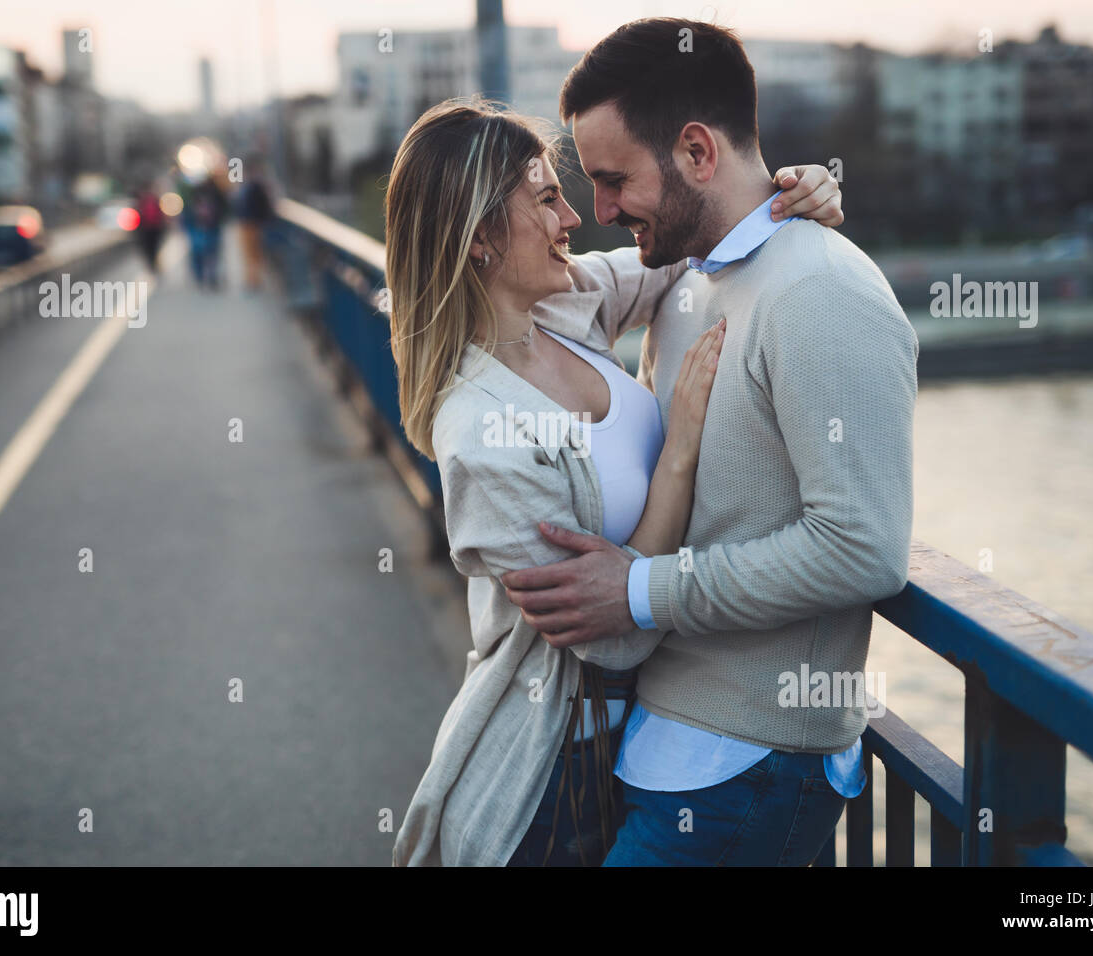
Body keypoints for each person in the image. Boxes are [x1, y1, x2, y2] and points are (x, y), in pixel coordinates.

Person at [498, 19, 919, 866]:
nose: (600, 211)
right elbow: (493, 289)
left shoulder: (824, 295)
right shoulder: (689, 275)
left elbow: (864, 549)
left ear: (696, 152)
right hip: (665, 740)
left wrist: (643, 590)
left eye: (614, 181)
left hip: (749, 764)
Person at [385, 96, 847, 867]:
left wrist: (788, 197)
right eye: (543, 199)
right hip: (558, 777)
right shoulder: (483, 438)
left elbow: (687, 247)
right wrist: (680, 455)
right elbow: (613, 645)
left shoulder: (563, 304)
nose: (572, 217)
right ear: (478, 240)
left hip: (638, 742)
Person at [235, 159, 274, 291]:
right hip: (249, 223)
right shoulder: (252, 186)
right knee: (251, 254)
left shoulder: (254, 187)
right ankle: (252, 280)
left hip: (252, 224)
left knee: (253, 254)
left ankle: (254, 281)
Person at [134, 183, 165, 273]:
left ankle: (152, 264)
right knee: (151, 248)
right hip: (151, 229)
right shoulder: (153, 199)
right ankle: (153, 263)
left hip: (149, 229)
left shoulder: (142, 201)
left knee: (150, 248)